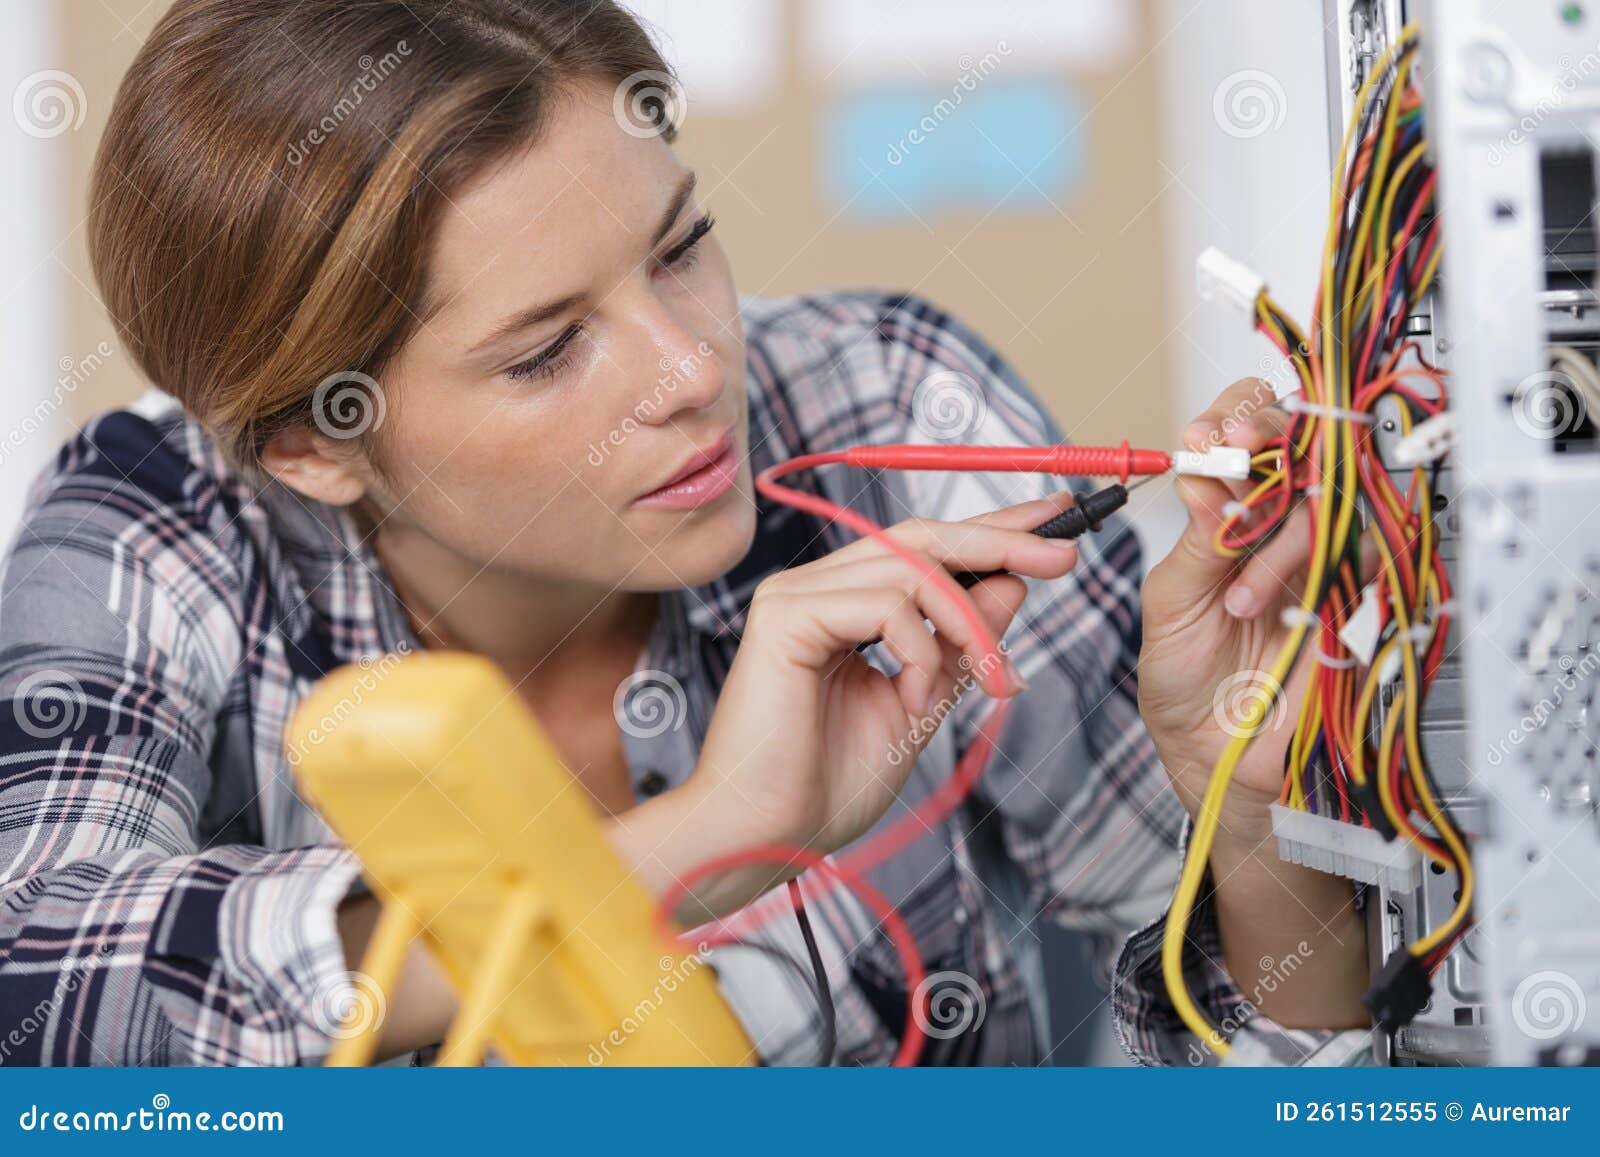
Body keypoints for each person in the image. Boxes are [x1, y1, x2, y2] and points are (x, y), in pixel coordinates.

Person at [0, 0, 1367, 1067]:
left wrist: (1250, 820)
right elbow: (33, 990)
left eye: (679, 245)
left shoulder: (886, 398)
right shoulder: (157, 528)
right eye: (546, 351)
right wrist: (713, 837)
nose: (694, 368)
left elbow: (1319, 1089)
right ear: (312, 443)